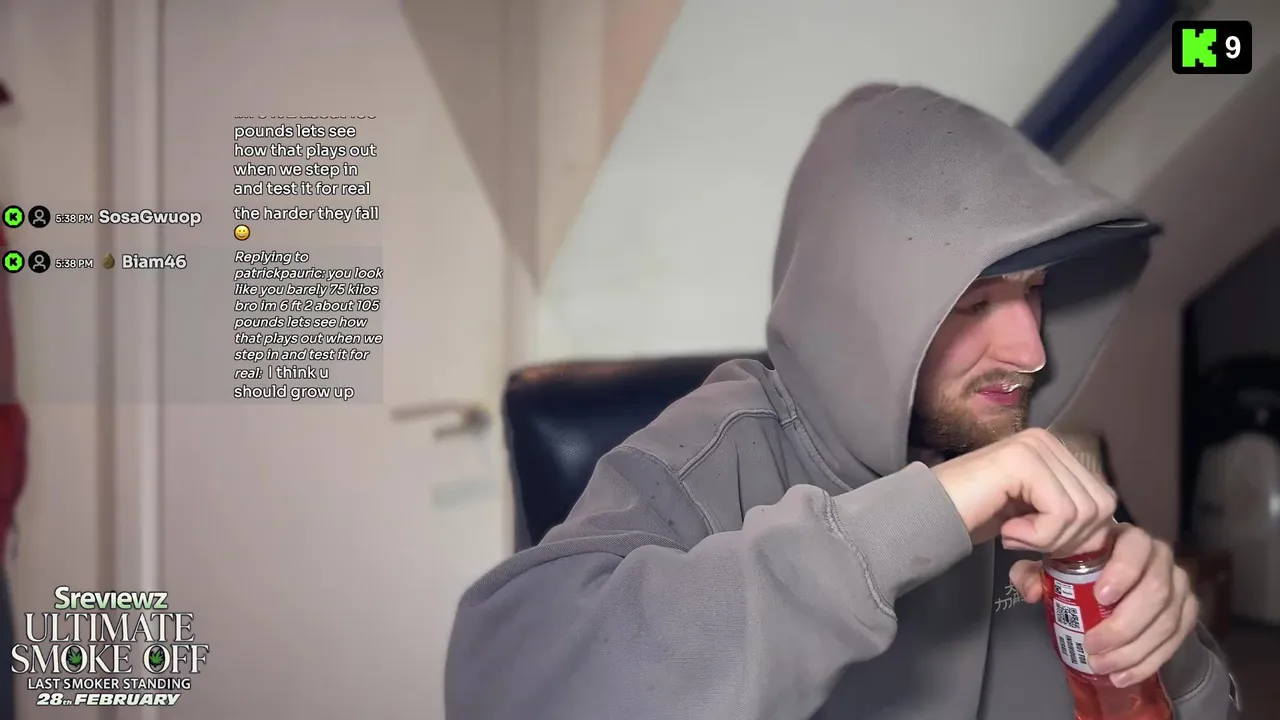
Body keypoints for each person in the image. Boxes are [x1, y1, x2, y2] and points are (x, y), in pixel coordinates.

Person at [445, 84, 1239, 719]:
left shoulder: (1033, 468)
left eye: (1035, 292)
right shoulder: (719, 451)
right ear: (862, 314)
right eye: (974, 304)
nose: (1032, 352)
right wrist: (918, 520)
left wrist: (1167, 651)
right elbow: (502, 689)